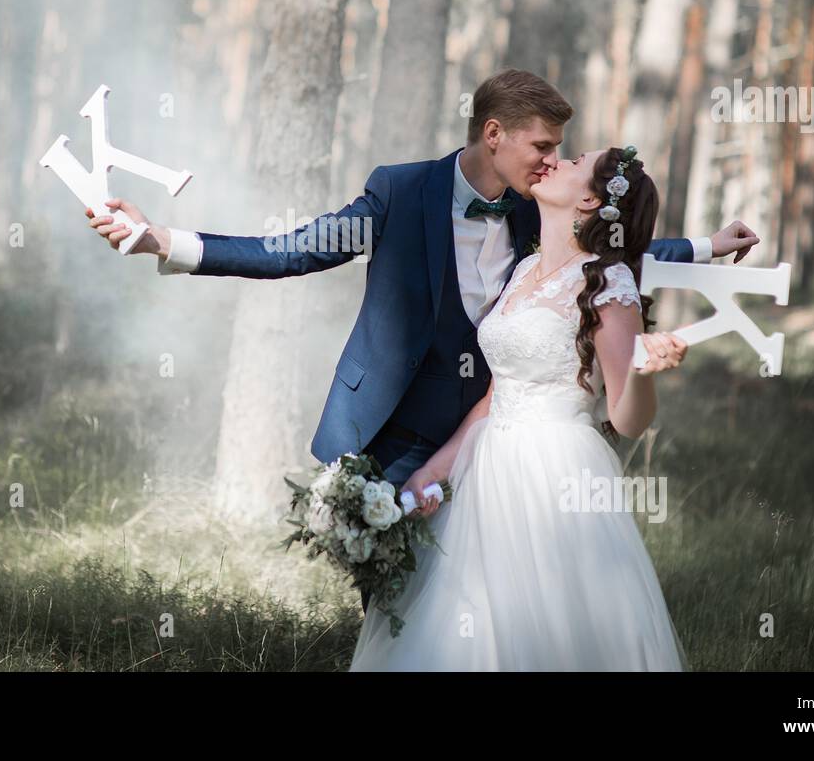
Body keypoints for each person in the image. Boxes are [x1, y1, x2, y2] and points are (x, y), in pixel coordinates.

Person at [87, 69, 758, 617]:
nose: (554, 160)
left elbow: (608, 248)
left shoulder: (538, 207)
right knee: (398, 605)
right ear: (494, 134)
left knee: (510, 601)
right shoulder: (399, 191)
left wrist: (705, 247)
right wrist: (164, 240)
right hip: (400, 424)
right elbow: (295, 249)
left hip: (495, 433)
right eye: (543, 146)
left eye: (561, 150)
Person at [349, 146, 689, 670]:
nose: (556, 159)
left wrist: (643, 370)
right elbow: (495, 394)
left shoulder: (609, 282)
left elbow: (626, 417)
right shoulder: (526, 266)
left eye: (574, 160)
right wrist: (434, 470)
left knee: (545, 624)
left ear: (591, 198)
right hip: (485, 468)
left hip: (553, 475)